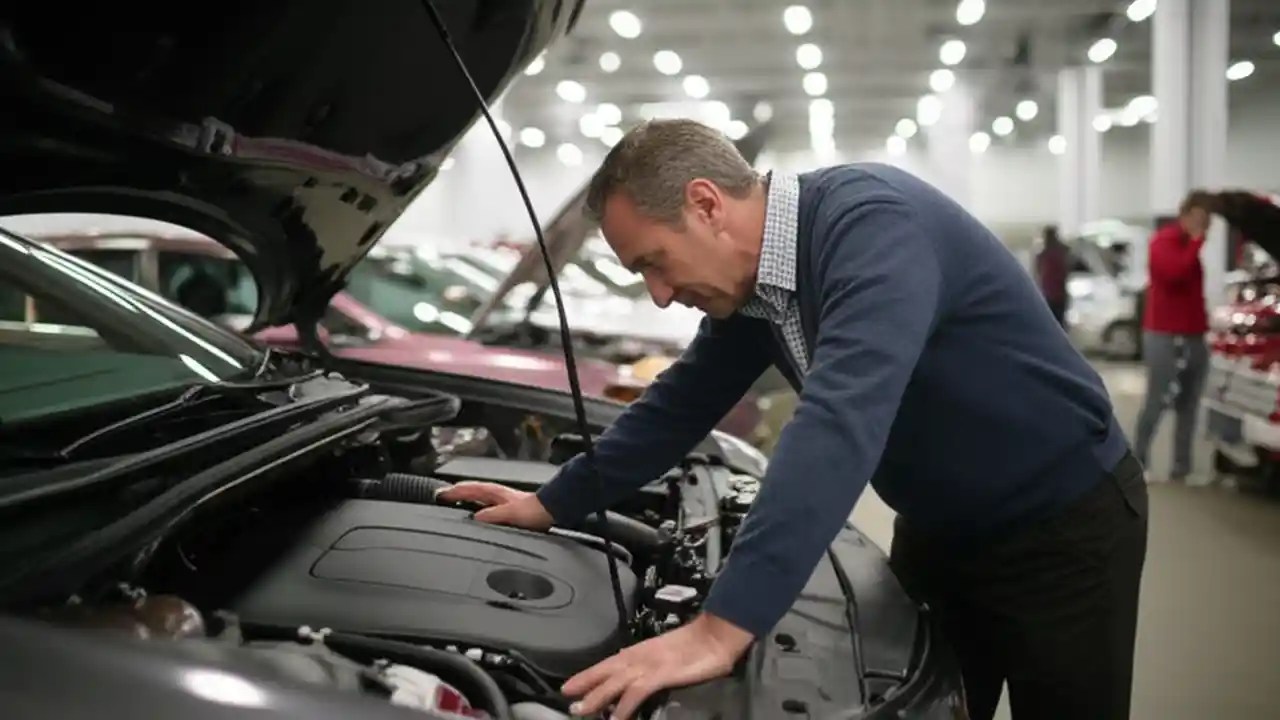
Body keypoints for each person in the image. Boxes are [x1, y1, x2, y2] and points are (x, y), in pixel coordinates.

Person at [438, 119, 1148, 720]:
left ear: (707, 204)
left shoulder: (870, 228)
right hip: (941, 532)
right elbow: (679, 404)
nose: (658, 296)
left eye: (654, 262)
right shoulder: (753, 290)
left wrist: (723, 627)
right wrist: (552, 502)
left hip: (1060, 529)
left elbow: (839, 421)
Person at [1132, 190, 1216, 482]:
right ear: (1185, 214)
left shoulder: (1191, 245)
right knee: (1156, 400)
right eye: (1199, 218)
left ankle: (1182, 467)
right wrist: (1195, 242)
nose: (1203, 226)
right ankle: (1138, 462)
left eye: (1207, 221)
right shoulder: (1163, 242)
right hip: (1164, 335)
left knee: (1189, 404)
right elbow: (1174, 273)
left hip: (1193, 335)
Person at [1034, 224, 1070, 327]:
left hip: (1048, 294)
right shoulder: (1061, 252)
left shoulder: (1042, 254)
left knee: (1050, 324)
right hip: (1059, 294)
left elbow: (1038, 274)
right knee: (1060, 323)